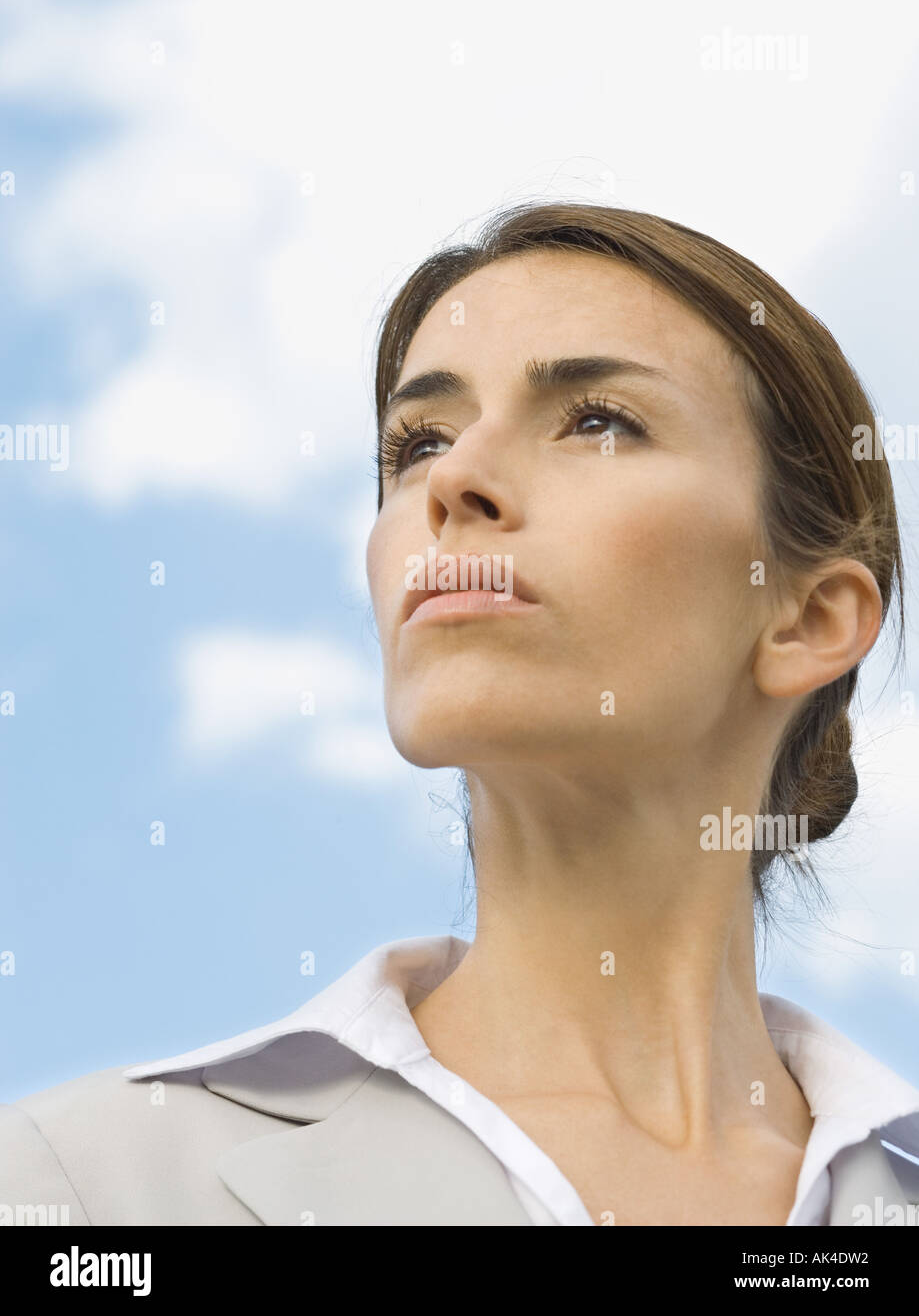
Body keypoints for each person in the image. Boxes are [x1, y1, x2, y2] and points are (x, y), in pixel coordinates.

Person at [3, 202, 918, 1227]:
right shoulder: (71, 1190)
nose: (454, 481)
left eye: (597, 421)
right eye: (418, 442)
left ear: (807, 618)